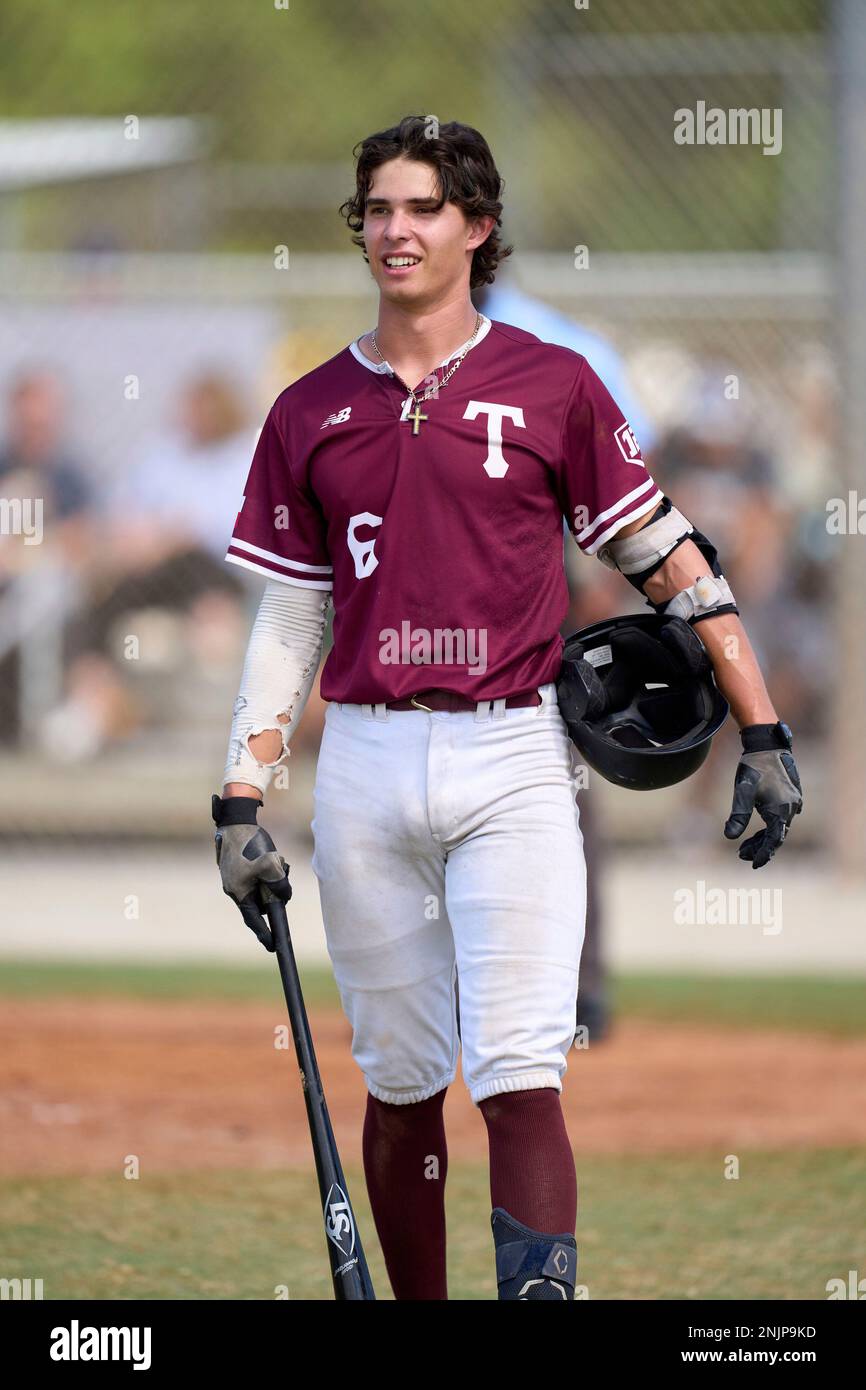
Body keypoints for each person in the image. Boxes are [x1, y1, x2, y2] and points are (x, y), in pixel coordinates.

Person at [212, 117, 802, 1301]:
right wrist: (238, 792)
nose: (394, 230)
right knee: (397, 1078)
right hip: (368, 766)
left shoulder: (556, 386)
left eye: (422, 208)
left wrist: (763, 728)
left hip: (516, 756)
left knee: (522, 1068)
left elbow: (668, 558)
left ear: (475, 229)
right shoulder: (308, 409)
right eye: (376, 209)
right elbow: (289, 621)